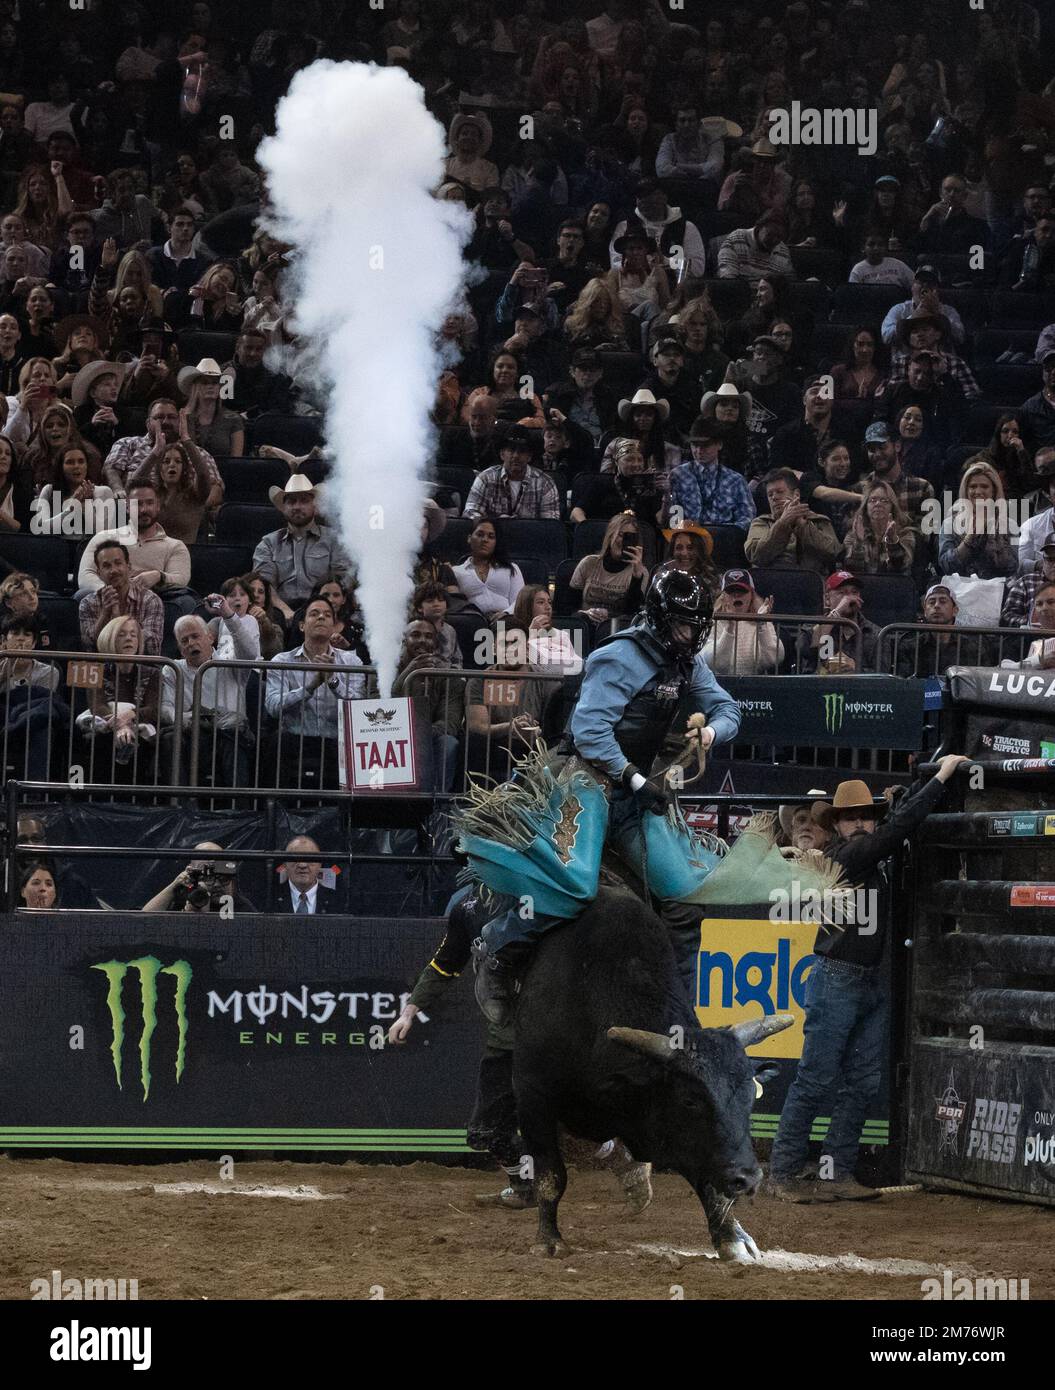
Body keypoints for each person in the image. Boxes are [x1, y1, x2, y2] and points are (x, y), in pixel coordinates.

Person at [472, 567, 741, 1020]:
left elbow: (728, 708)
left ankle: (681, 1015)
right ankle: (497, 945)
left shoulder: (687, 660)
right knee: (573, 886)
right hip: (586, 779)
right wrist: (637, 780)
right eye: (683, 625)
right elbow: (590, 732)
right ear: (658, 618)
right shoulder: (619, 657)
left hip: (637, 790)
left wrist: (711, 733)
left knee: (684, 899)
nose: (691, 635)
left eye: (697, 626)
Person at [768, 756, 972, 1202]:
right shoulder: (847, 857)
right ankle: (784, 1172)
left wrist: (904, 803)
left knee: (858, 1081)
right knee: (818, 1078)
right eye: (850, 817)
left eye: (864, 816)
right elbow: (894, 834)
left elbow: (893, 833)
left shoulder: (859, 857)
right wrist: (938, 777)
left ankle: (832, 1172)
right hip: (842, 976)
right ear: (836, 825)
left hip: (863, 977)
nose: (859, 823)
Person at [265, 596, 367, 789]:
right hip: (296, 738)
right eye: (314, 614)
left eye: (327, 615)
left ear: (334, 626)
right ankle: (275, 811)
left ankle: (347, 815)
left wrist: (332, 681)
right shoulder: (282, 660)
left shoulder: (352, 662)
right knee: (277, 741)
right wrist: (309, 688)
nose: (321, 617)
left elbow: (359, 708)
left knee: (355, 744)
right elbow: (272, 706)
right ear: (302, 626)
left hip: (335, 739)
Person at [160, 595, 260, 787]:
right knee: (170, 739)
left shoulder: (229, 663)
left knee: (234, 740)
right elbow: (165, 708)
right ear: (180, 649)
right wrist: (186, 718)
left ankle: (237, 812)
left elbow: (250, 652)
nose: (190, 643)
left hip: (228, 733)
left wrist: (228, 614)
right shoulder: (173, 669)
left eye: (195, 636)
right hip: (190, 733)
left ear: (210, 637)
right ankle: (180, 806)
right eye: (184, 640)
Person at [252, 475, 349, 610]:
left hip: (325, 612)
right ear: (283, 507)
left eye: (304, 501)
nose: (297, 506)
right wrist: (287, 613)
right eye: (291, 501)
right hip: (280, 614)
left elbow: (341, 582)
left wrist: (317, 611)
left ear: (314, 506)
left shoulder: (334, 540)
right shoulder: (268, 544)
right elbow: (264, 586)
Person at [102, 397, 222, 502]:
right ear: (148, 423)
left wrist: (196, 510)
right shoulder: (128, 443)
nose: (166, 422)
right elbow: (111, 470)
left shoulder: (199, 453)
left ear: (180, 421)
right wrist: (118, 490)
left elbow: (215, 488)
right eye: (159, 417)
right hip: (136, 508)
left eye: (171, 417)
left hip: (184, 514)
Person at [391, 620, 464, 792]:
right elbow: (379, 710)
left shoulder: (448, 675)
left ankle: (437, 805)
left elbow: (450, 723)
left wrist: (419, 735)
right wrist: (409, 673)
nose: (422, 640)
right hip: (390, 738)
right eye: (415, 635)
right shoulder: (385, 670)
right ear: (404, 640)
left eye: (429, 636)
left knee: (449, 742)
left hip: (430, 738)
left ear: (436, 644)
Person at [745, 467, 840, 573]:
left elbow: (833, 553)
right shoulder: (761, 523)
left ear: (796, 494)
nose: (774, 498)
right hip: (772, 582)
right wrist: (783, 523)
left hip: (811, 582)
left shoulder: (819, 521)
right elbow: (756, 557)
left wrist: (803, 526)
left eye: (779, 492)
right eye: (770, 494)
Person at [78, 540, 165, 656]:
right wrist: (105, 614)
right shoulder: (88, 603)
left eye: (118, 563)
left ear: (128, 567)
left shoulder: (150, 600)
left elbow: (152, 647)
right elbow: (88, 648)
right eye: (106, 566)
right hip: (103, 667)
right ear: (99, 573)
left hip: (139, 668)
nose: (113, 570)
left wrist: (117, 620)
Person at [668, 415, 754, 530]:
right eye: (695, 445)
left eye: (705, 445)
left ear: (719, 444)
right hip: (688, 539)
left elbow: (748, 518)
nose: (699, 451)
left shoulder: (736, 480)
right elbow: (673, 518)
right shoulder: (677, 475)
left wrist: (726, 531)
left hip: (724, 539)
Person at [462, 425, 560, 521]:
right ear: (502, 454)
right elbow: (470, 513)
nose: (516, 456)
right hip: (493, 536)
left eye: (521, 451)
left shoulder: (545, 483)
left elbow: (550, 525)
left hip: (529, 536)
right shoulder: (485, 478)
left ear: (529, 457)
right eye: (511, 450)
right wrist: (495, 523)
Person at [938, 461, 1016, 580]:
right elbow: (946, 566)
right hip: (961, 590)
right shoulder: (950, 523)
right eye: (973, 486)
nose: (978, 492)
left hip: (996, 591)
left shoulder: (1009, 524)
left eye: (984, 486)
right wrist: (970, 539)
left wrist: (993, 538)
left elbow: (1012, 567)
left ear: (994, 491)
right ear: (966, 490)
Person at [853, 421, 934, 529]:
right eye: (871, 449)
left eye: (882, 447)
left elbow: (927, 534)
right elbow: (853, 533)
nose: (877, 454)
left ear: (897, 446)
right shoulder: (859, 489)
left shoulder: (923, 488)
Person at [704, 569, 783, 676]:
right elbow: (714, 663)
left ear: (752, 596)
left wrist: (762, 624)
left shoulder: (762, 620)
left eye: (742, 591)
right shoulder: (713, 621)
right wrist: (729, 629)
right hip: (718, 684)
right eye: (731, 591)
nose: (736, 595)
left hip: (754, 685)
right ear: (723, 597)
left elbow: (773, 660)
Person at [142, 842, 256, 913]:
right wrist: (174, 886)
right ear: (193, 875)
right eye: (208, 877)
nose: (217, 884)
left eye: (223, 878)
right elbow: (143, 920)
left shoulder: (239, 905)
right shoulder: (183, 895)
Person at [452, 517, 525, 619]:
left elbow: (520, 600)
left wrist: (505, 614)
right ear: (469, 538)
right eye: (480, 535)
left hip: (505, 620)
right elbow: (455, 605)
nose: (485, 540)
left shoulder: (511, 568)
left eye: (491, 537)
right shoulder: (456, 571)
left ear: (496, 542)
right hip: (474, 622)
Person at [841, 481, 916, 576]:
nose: (878, 504)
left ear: (892, 507)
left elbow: (900, 569)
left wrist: (893, 542)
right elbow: (851, 571)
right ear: (865, 507)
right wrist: (859, 543)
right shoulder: (853, 534)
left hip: (894, 587)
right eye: (872, 500)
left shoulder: (905, 534)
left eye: (884, 501)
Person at [880, 265, 965, 347]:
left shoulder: (949, 311)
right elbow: (887, 337)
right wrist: (914, 316)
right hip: (906, 359)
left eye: (930, 283)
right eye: (921, 282)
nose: (925, 285)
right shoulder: (899, 310)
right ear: (912, 287)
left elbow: (959, 338)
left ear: (938, 290)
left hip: (942, 359)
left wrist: (938, 314)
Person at [177, 356, 245, 458]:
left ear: (220, 387)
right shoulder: (183, 418)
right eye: (204, 383)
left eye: (214, 382)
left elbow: (236, 461)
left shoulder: (233, 419)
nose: (210, 386)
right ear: (195, 387)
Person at [509, 585, 583, 676]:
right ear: (526, 606)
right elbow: (513, 665)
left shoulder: (561, 635)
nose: (548, 607)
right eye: (541, 602)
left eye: (549, 602)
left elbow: (573, 668)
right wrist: (532, 633)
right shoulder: (511, 634)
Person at [716, 213, 794, 284]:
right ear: (759, 227)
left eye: (779, 237)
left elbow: (787, 284)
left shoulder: (783, 251)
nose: (774, 240)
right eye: (770, 234)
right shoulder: (736, 240)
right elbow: (728, 280)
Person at [1002, 532, 1055, 628]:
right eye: (1051, 560)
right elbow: (1007, 617)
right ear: (1043, 560)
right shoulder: (1025, 582)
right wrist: (1032, 621)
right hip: (1033, 640)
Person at [278, 836, 341, 914]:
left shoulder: (339, 900)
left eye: (309, 858)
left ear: (320, 863)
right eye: (294, 858)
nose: (302, 865)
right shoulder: (268, 898)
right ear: (284, 864)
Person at [848, 231, 915, 291]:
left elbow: (915, 285)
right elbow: (853, 295)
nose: (876, 248)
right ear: (863, 248)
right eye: (871, 245)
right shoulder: (858, 270)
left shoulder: (898, 264)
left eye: (880, 245)